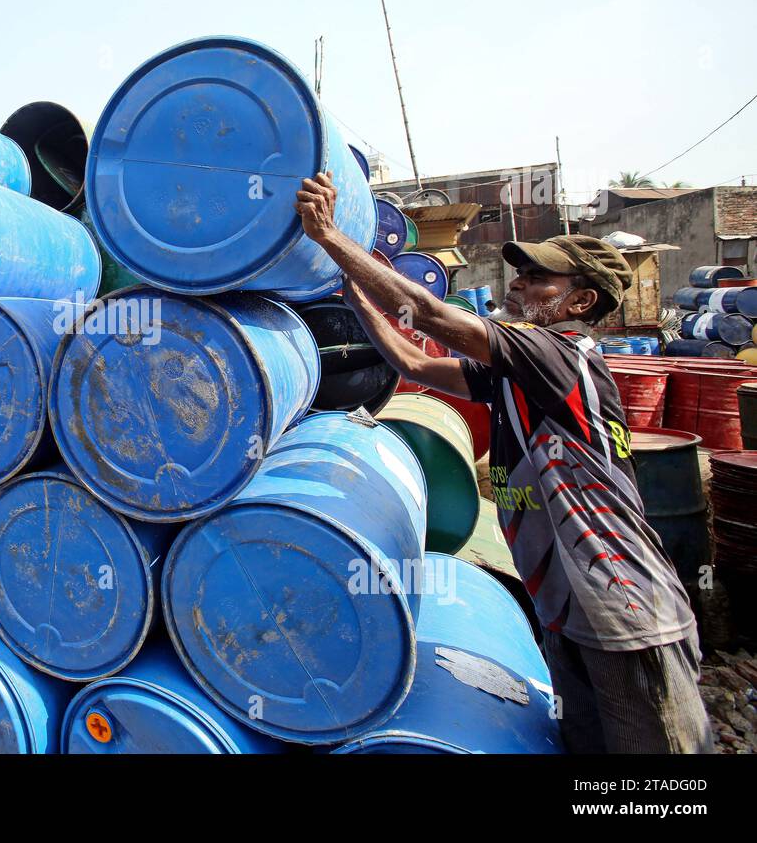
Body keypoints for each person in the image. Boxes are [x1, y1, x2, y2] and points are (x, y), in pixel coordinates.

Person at [295, 171, 713, 754]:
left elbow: (431, 314)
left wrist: (330, 236)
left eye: (538, 277)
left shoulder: (557, 356)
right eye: (519, 273)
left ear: (581, 301)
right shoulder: (519, 374)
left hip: (626, 615)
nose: (518, 284)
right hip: (570, 614)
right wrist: (350, 286)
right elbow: (412, 361)